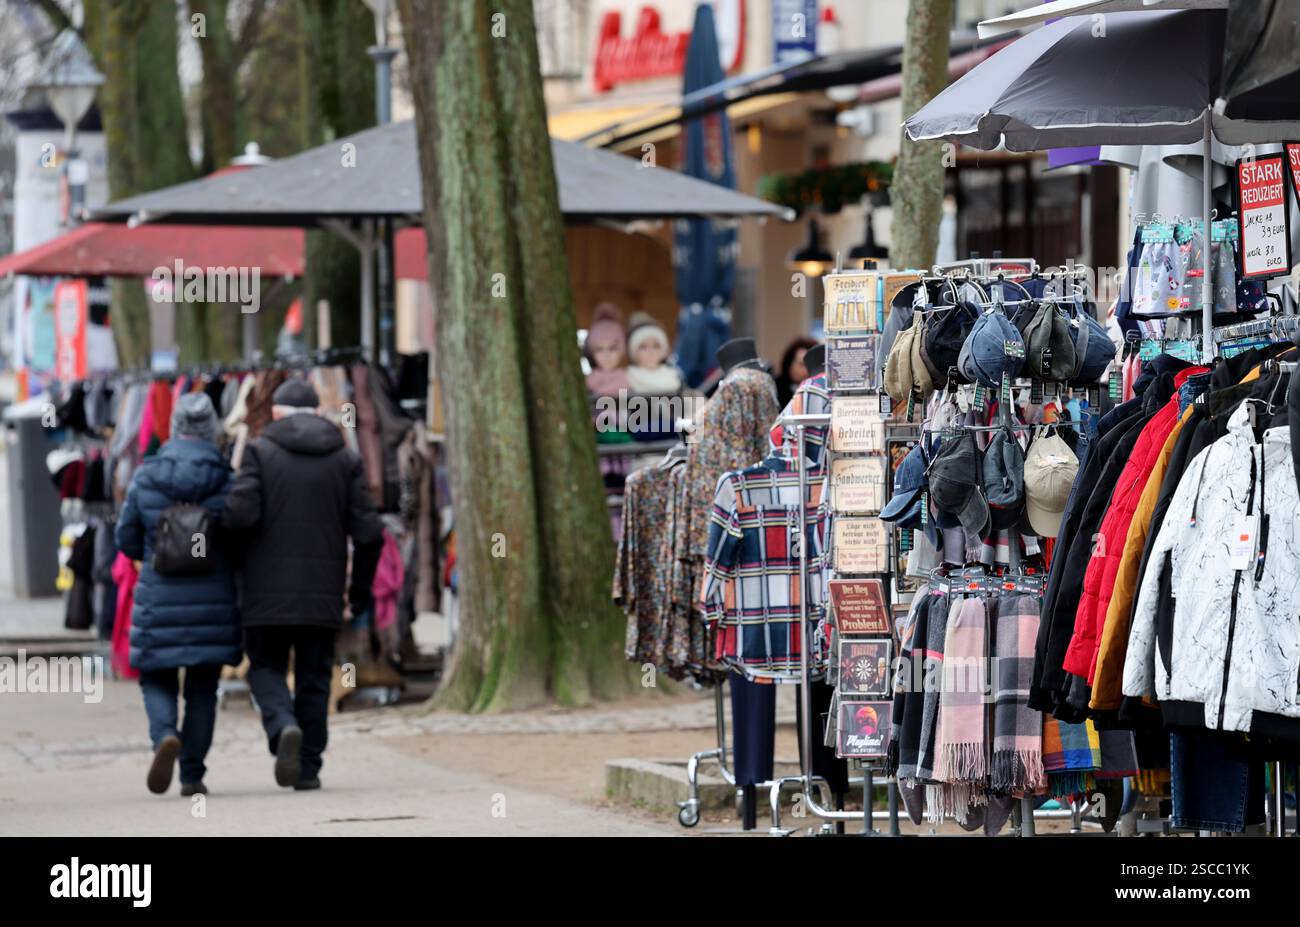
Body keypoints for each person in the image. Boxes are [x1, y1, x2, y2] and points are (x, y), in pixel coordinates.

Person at [223, 378, 382, 791]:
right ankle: (308, 766)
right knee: (314, 675)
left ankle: (282, 725)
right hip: (323, 591)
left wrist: (236, 568)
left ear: (275, 413)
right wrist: (358, 592)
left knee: (265, 667)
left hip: (265, 591)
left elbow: (239, 517)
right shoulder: (344, 459)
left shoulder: (259, 452)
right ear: (318, 413)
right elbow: (370, 533)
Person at [116, 392, 241, 797]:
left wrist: (153, 555)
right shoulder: (226, 480)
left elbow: (126, 537)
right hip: (213, 599)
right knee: (203, 688)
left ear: (174, 429)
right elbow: (240, 537)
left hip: (159, 598)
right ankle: (192, 775)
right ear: (212, 430)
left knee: (156, 677)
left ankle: (165, 735)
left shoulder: (147, 475)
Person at [774, 336, 816, 407]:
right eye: (801, 364)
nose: (806, 370)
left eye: (809, 365)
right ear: (789, 363)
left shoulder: (817, 390)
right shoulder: (775, 388)